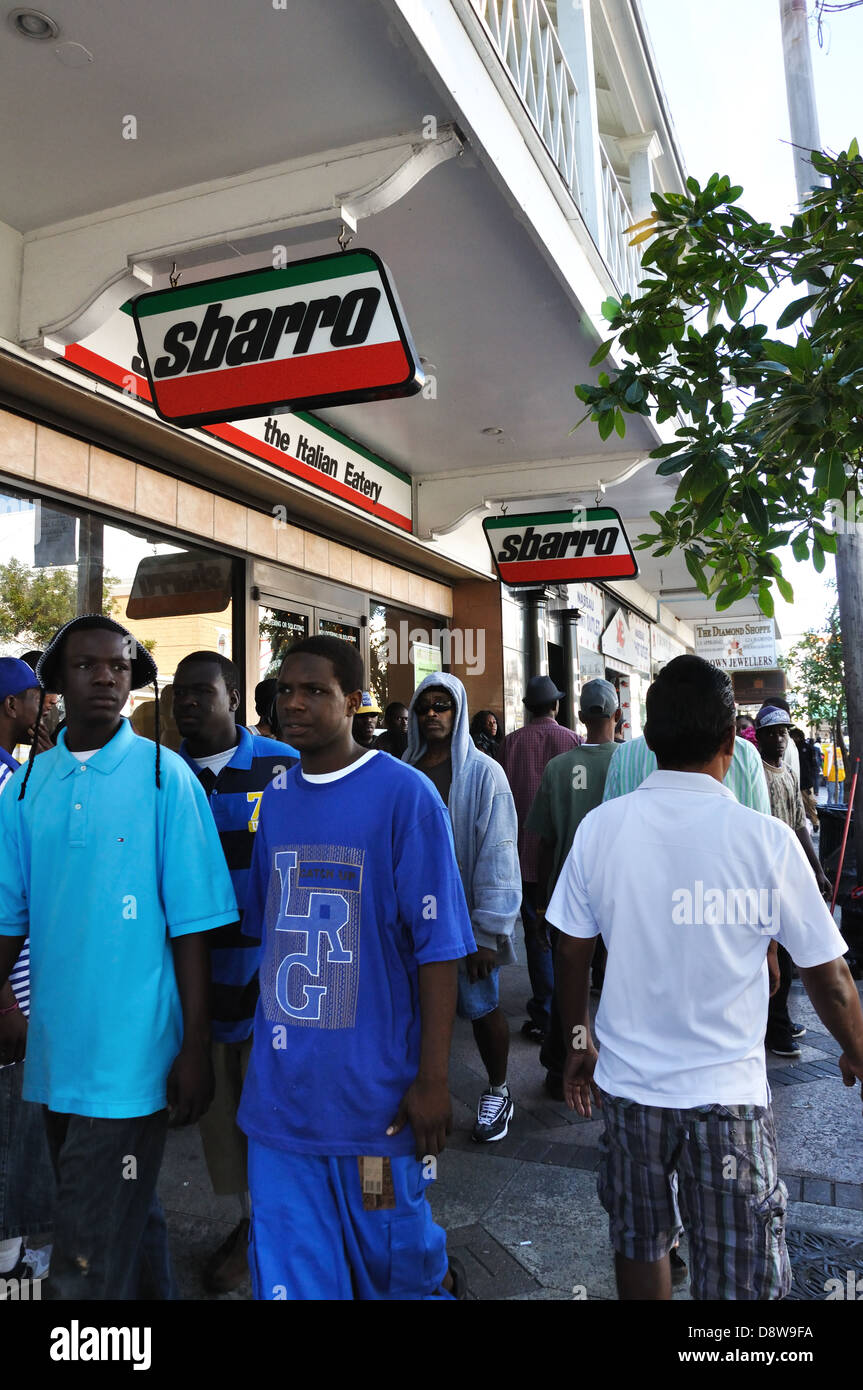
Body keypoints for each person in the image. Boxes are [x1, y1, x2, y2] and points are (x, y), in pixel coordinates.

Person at [550, 655, 863, 1302]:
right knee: (740, 1270)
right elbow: (828, 978)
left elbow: (569, 955)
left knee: (638, 1240)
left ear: (649, 739)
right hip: (728, 1101)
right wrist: (856, 1050)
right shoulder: (766, 842)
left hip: (629, 1094)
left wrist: (577, 1044)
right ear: (730, 741)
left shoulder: (599, 831)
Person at [0, 616, 238, 1300]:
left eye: (119, 666)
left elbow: (193, 931)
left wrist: (195, 1047)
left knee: (83, 1254)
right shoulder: (25, 786)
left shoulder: (168, 780)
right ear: (55, 684)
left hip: (135, 1058)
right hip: (56, 1052)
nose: (105, 677)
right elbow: (7, 915)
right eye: (86, 666)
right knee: (130, 1218)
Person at [236, 636, 475, 1300]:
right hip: (281, 1107)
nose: (295, 703)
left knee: (390, 1262)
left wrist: (431, 1079)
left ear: (353, 700)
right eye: (285, 690)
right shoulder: (276, 799)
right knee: (293, 1274)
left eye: (314, 690)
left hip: (375, 1113)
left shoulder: (406, 796)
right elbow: (267, 932)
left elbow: (439, 950)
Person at [173, 651, 298, 1294]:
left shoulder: (283, 766)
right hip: (192, 987)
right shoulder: (162, 775)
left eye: (201, 691)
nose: (187, 702)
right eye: (179, 692)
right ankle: (252, 1222)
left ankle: (277, 1230)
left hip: (270, 983)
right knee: (220, 1122)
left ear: (232, 697)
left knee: (272, 1112)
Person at [404, 674, 521, 1142]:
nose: (432, 714)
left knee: (481, 1006)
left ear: (459, 712)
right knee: (412, 1011)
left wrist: (488, 932)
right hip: (411, 922)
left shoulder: (484, 774)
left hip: (466, 920)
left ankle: (498, 1088)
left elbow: (499, 852)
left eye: (443, 706)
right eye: (425, 707)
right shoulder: (402, 770)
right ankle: (417, 1087)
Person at [524, 680, 619, 1099]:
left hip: (571, 895)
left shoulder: (559, 768)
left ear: (580, 717)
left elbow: (544, 842)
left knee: (570, 986)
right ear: (617, 716)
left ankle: (563, 1061)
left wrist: (544, 900)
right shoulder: (632, 765)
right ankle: (617, 1066)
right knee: (618, 982)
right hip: (621, 895)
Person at [0, 659, 55, 1289]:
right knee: (14, 1148)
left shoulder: (19, 775)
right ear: (14, 705)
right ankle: (13, 1267)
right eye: (38, 701)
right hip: (10, 998)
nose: (45, 711)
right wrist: (7, 1002)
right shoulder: (9, 781)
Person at [497, 676, 581, 1043]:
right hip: (565, 856)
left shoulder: (509, 745)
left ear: (529, 708)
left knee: (536, 935)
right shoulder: (573, 742)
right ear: (556, 706)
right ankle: (570, 1011)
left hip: (524, 856)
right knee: (571, 932)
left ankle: (545, 1010)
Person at [756, 705, 832, 1059]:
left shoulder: (786, 772)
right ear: (759, 735)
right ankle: (775, 1028)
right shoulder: (757, 774)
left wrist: (816, 870)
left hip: (789, 871)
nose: (780, 738)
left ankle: (780, 1019)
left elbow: (800, 823)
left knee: (787, 952)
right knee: (775, 958)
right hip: (767, 875)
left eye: (783, 732)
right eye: (772, 732)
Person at [790, 725, 819, 831]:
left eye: (795, 737)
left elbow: (813, 765)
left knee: (810, 804)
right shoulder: (791, 748)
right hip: (796, 781)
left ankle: (815, 822)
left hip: (806, 782)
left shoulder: (807, 748)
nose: (793, 739)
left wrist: (814, 784)